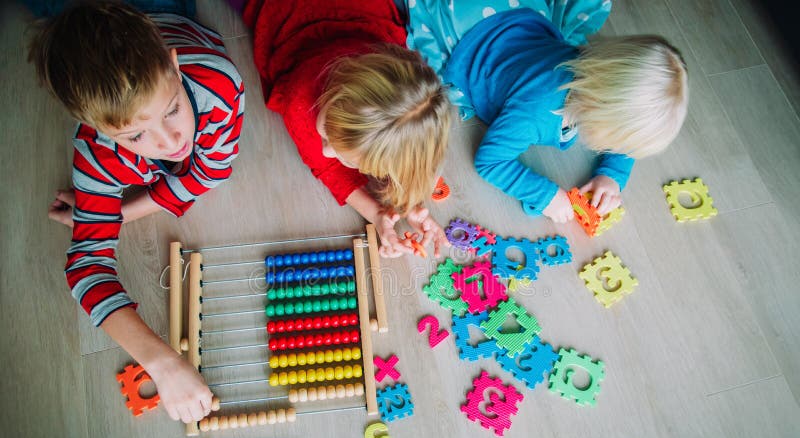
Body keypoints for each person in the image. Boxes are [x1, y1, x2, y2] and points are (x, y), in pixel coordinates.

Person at [29, 0, 245, 423]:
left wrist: (120, 214)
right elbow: (86, 266)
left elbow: (209, 172)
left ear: (175, 65)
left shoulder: (218, 84)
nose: (171, 141)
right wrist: (161, 362)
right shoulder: (97, 152)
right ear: (100, 131)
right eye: (136, 135)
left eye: (172, 110)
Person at [406, 1, 689, 222]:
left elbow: (623, 124)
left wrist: (612, 174)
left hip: (513, 18)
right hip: (468, 36)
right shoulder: (534, 114)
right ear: (598, 111)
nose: (620, 150)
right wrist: (547, 197)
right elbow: (490, 161)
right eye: (618, 144)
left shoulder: (592, 74)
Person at [240, 0, 452, 257]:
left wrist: (407, 204)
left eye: (343, 155)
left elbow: (408, 148)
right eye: (328, 137)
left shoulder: (401, 81)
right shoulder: (301, 100)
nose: (327, 153)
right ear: (331, 96)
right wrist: (376, 211)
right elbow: (326, 168)